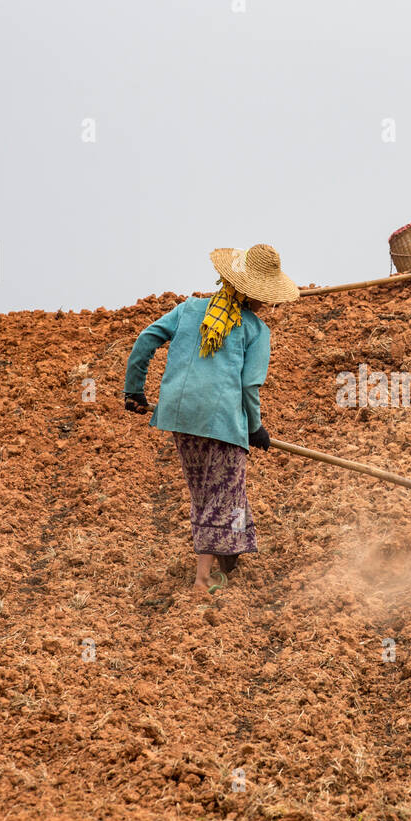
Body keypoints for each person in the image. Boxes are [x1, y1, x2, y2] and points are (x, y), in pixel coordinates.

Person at [123, 244, 299, 597]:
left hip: (179, 415)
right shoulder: (255, 330)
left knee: (214, 490)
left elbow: (146, 338)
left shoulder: (190, 309)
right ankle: (203, 581)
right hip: (221, 423)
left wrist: (135, 390)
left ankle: (229, 557)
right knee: (221, 494)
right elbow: (249, 384)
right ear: (257, 295)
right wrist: (255, 427)